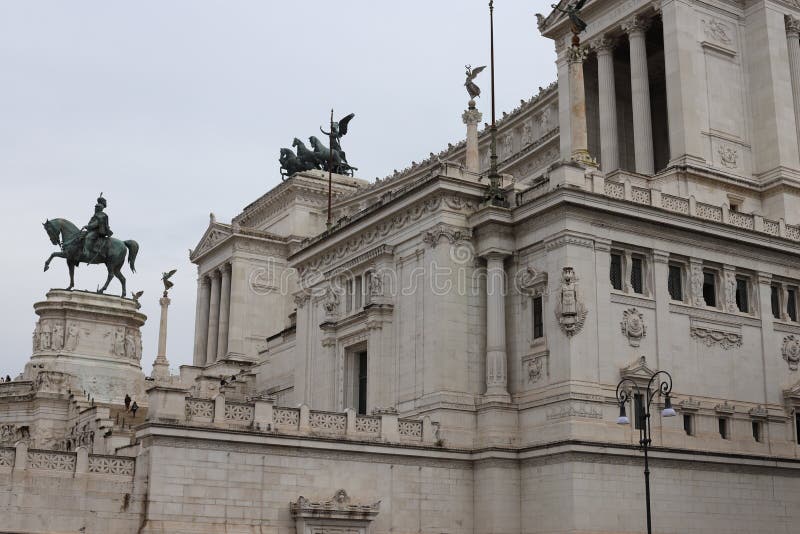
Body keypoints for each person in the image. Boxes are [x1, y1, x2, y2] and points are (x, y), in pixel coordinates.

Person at [82, 194, 113, 263]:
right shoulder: (98, 214)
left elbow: (96, 223)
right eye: (96, 208)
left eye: (96, 208)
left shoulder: (101, 215)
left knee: (88, 237)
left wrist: (88, 226)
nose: (95, 209)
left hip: (97, 231)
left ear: (99, 208)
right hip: (93, 230)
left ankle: (86, 252)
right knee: (81, 235)